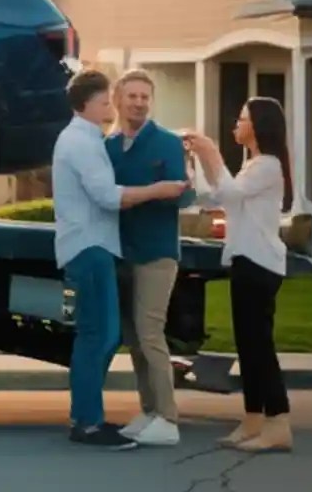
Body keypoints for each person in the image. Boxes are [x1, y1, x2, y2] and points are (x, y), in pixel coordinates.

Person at [52, 69, 189, 449]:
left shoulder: (158, 142)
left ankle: (160, 416)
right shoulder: (91, 143)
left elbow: (182, 193)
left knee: (134, 334)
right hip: (98, 249)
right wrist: (156, 189)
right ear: (92, 103)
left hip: (146, 253)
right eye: (118, 98)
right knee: (106, 335)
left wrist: (169, 190)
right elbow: (109, 196)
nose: (127, 104)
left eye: (144, 96)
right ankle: (91, 422)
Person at [183, 97, 293, 453]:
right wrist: (201, 158)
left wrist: (211, 151)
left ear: (258, 125)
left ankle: (279, 424)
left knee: (260, 347)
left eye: (242, 118)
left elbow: (228, 191)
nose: (236, 123)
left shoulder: (268, 165)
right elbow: (218, 196)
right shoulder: (253, 165)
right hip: (247, 261)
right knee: (248, 346)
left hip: (260, 264)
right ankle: (253, 420)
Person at [105, 69, 195, 446]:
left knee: (150, 332)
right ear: (118, 100)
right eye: (133, 96)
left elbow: (185, 196)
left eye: (145, 97)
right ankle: (149, 410)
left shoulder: (167, 144)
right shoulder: (107, 147)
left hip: (157, 253)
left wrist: (161, 190)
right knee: (134, 339)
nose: (139, 102)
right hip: (121, 253)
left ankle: (168, 418)